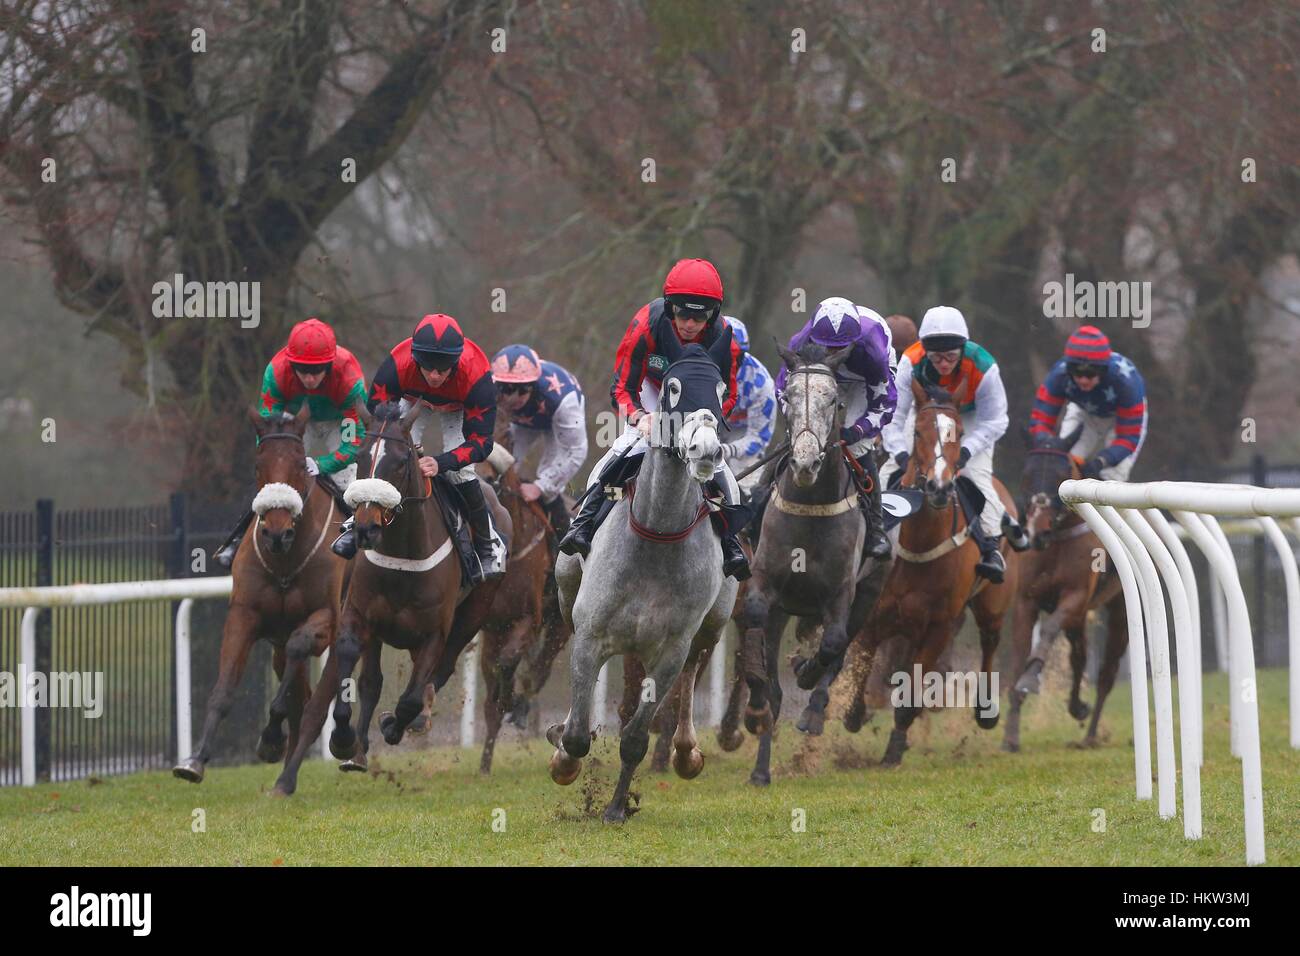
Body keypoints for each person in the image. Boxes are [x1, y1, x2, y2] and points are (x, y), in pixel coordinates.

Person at [558, 257, 750, 580]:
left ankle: (730, 544)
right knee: (627, 447)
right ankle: (584, 522)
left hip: (697, 405)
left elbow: (728, 396)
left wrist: (705, 424)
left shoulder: (725, 342)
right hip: (652, 391)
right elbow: (621, 385)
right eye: (682, 313)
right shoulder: (646, 323)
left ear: (713, 314)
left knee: (717, 467)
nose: (689, 324)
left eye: (698, 316)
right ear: (670, 306)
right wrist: (640, 418)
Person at [352, 313, 507, 583]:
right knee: (383, 454)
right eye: (427, 367)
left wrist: (441, 462)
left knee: (461, 473)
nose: (435, 375)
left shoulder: (477, 376)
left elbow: (482, 444)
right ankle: (352, 525)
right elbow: (377, 424)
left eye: (443, 368)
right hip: (413, 402)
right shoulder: (396, 365)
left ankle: (486, 543)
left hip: (458, 409)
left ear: (456, 361)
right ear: (415, 358)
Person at [213, 318, 366, 568]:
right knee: (272, 476)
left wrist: (321, 464)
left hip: (337, 423)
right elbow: (265, 431)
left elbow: (355, 442)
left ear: (330, 365)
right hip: (294, 423)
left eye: (316, 371)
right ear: (290, 363)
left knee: (346, 480)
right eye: (302, 370)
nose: (308, 378)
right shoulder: (276, 372)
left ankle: (352, 535)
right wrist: (271, 462)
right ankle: (236, 539)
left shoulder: (350, 377)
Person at [881, 305, 1017, 582]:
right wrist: (900, 454)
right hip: (926, 416)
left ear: (963, 350)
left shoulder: (985, 366)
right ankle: (875, 533)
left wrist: (966, 452)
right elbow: (894, 416)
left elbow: (997, 420)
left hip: (970, 420)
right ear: (924, 350)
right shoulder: (910, 360)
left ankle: (991, 549)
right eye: (936, 357)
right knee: (887, 473)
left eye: (951, 356)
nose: (944, 363)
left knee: (976, 477)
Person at [775, 296, 897, 560]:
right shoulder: (801, 343)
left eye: (839, 348)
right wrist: (798, 425)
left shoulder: (873, 355)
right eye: (826, 347)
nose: (832, 353)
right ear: (814, 340)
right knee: (800, 436)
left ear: (851, 344)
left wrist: (857, 430)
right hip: (819, 375)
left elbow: (884, 406)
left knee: (857, 445)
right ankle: (760, 498)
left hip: (861, 381)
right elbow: (782, 391)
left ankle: (876, 528)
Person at [490, 343, 588, 536]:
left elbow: (576, 451)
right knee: (502, 467)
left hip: (555, 418)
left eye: (522, 390)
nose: (513, 398)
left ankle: (563, 543)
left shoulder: (564, 402)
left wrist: (540, 487)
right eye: (507, 390)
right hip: (522, 422)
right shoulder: (489, 389)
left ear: (533, 386)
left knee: (547, 479)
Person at [1029, 324, 1148, 481]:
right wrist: (1046, 444)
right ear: (1068, 368)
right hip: (1084, 411)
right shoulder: (1059, 375)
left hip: (1121, 419)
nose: (1083, 380)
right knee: (1064, 463)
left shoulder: (1126, 382)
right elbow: (1040, 421)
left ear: (1103, 370)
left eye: (1091, 373)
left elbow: (1128, 439)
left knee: (1112, 477)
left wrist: (1100, 461)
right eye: (1076, 372)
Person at [718, 316, 776, 495]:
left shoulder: (761, 384)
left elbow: (758, 438)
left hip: (741, 436)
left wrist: (727, 450)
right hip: (705, 427)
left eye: (737, 355)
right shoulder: (696, 369)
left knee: (748, 485)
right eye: (723, 355)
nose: (730, 362)